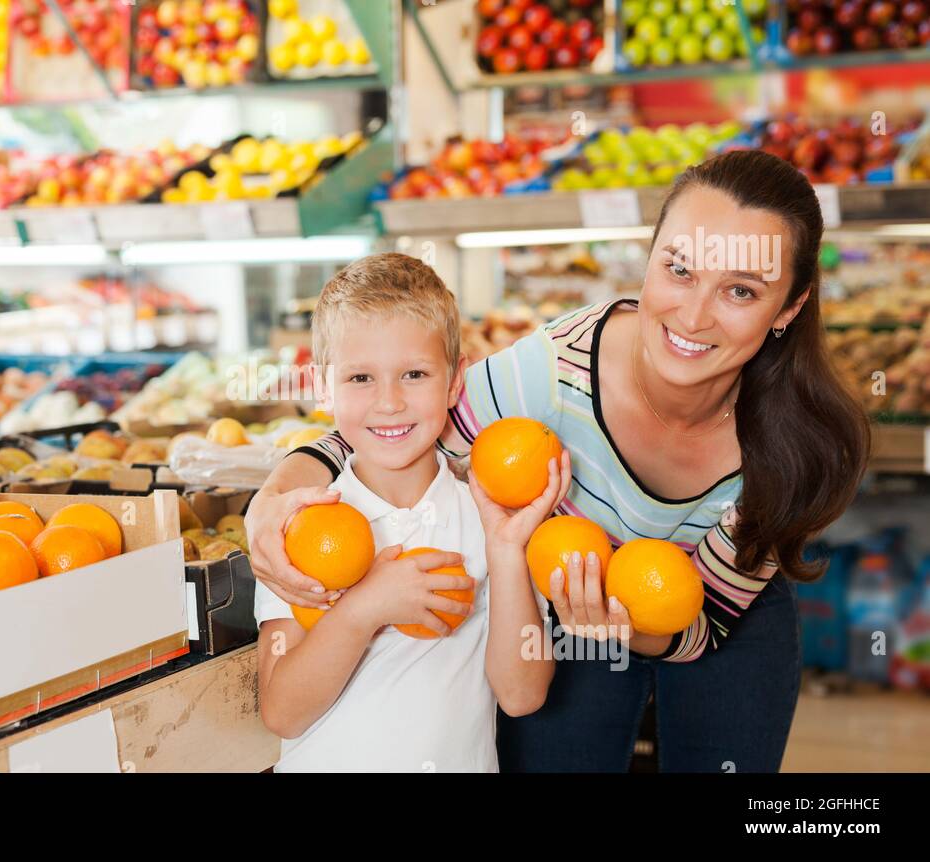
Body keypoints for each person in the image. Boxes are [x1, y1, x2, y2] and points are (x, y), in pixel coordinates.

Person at [246, 150, 871, 772]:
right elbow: (402, 428)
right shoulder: (555, 371)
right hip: (561, 592)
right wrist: (272, 503)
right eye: (679, 270)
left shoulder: (797, 452)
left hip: (698, 613)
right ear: (648, 258)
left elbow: (695, 627)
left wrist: (628, 626)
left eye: (740, 290)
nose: (694, 313)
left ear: (789, 307)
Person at [254, 253, 568, 772]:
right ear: (321, 385)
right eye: (360, 379)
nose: (390, 402)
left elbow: (521, 694)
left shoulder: (490, 518)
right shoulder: (297, 526)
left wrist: (507, 552)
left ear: (453, 382)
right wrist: (364, 609)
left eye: (414, 374)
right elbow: (283, 712)